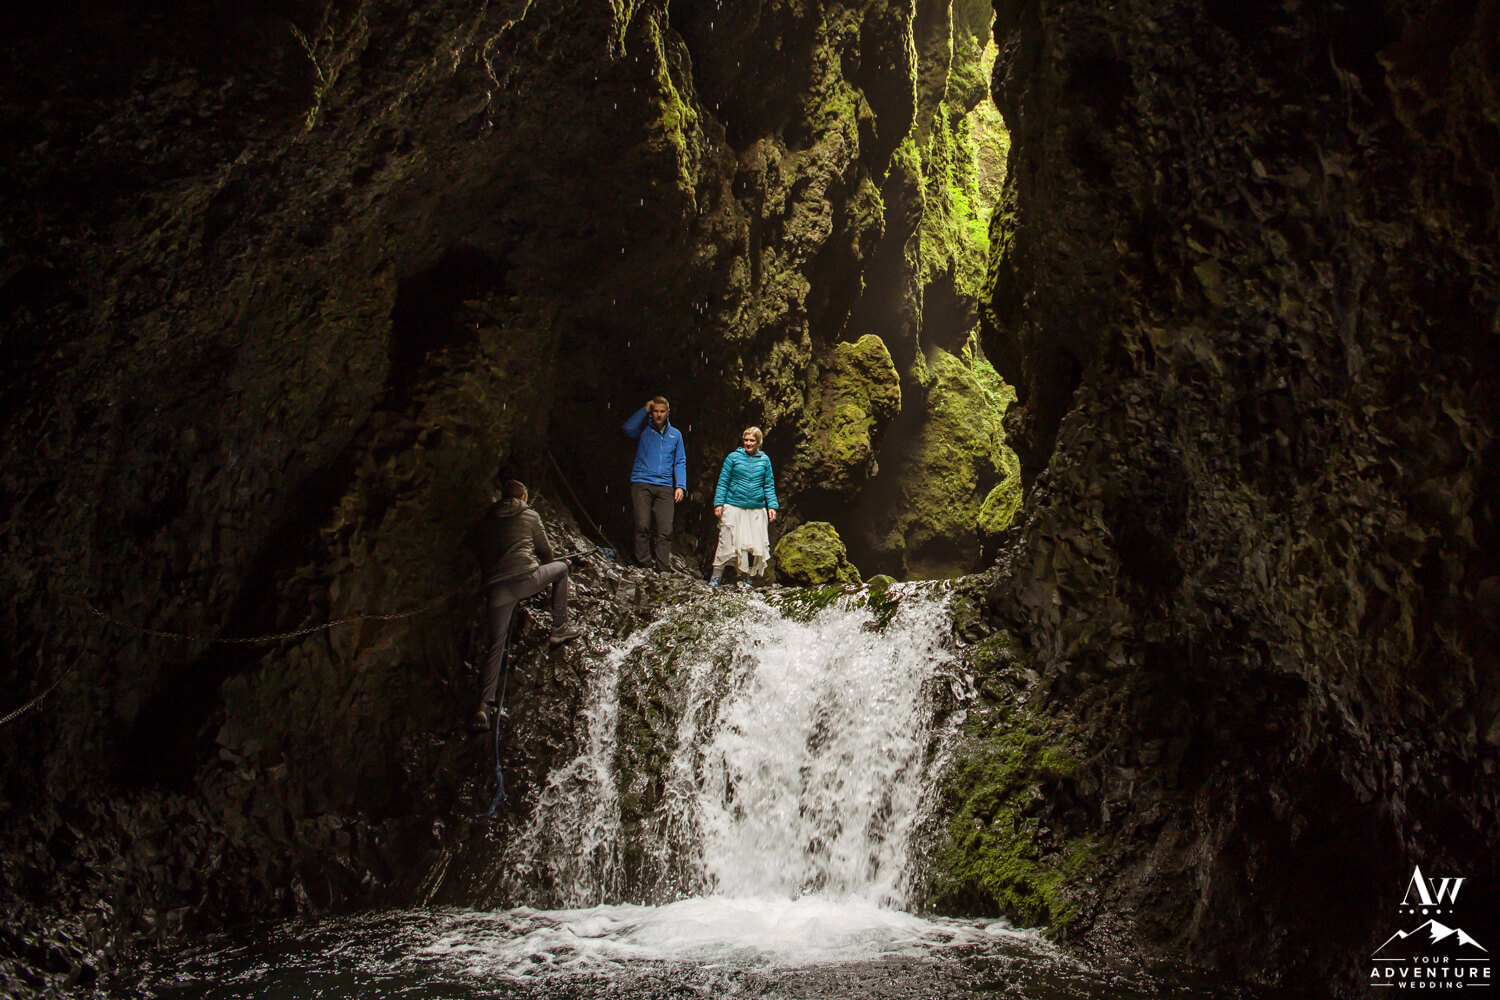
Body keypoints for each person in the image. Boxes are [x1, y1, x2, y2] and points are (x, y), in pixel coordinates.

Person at [471, 480, 579, 730]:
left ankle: (483, 706)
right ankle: (559, 628)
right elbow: (546, 553)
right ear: (522, 497)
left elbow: (480, 549)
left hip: (496, 590)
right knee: (562, 569)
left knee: (496, 645)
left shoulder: (488, 519)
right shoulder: (530, 515)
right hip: (524, 580)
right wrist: (543, 566)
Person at [622, 395, 686, 572]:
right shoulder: (643, 429)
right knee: (642, 525)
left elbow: (680, 461)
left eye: (662, 411)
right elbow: (628, 429)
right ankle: (643, 563)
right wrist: (644, 410)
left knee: (665, 529)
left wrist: (680, 485)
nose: (658, 415)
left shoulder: (675, 435)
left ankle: (662, 568)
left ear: (668, 412)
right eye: (655, 411)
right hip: (642, 481)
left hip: (665, 485)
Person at [710, 426, 778, 586]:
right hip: (734, 505)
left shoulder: (764, 460)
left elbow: (768, 485)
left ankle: (746, 576)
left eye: (752, 440)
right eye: (746, 440)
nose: (748, 443)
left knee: (749, 544)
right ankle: (716, 576)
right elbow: (723, 481)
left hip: (755, 507)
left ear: (758, 442)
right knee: (726, 540)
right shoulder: (733, 458)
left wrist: (772, 506)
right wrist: (718, 503)